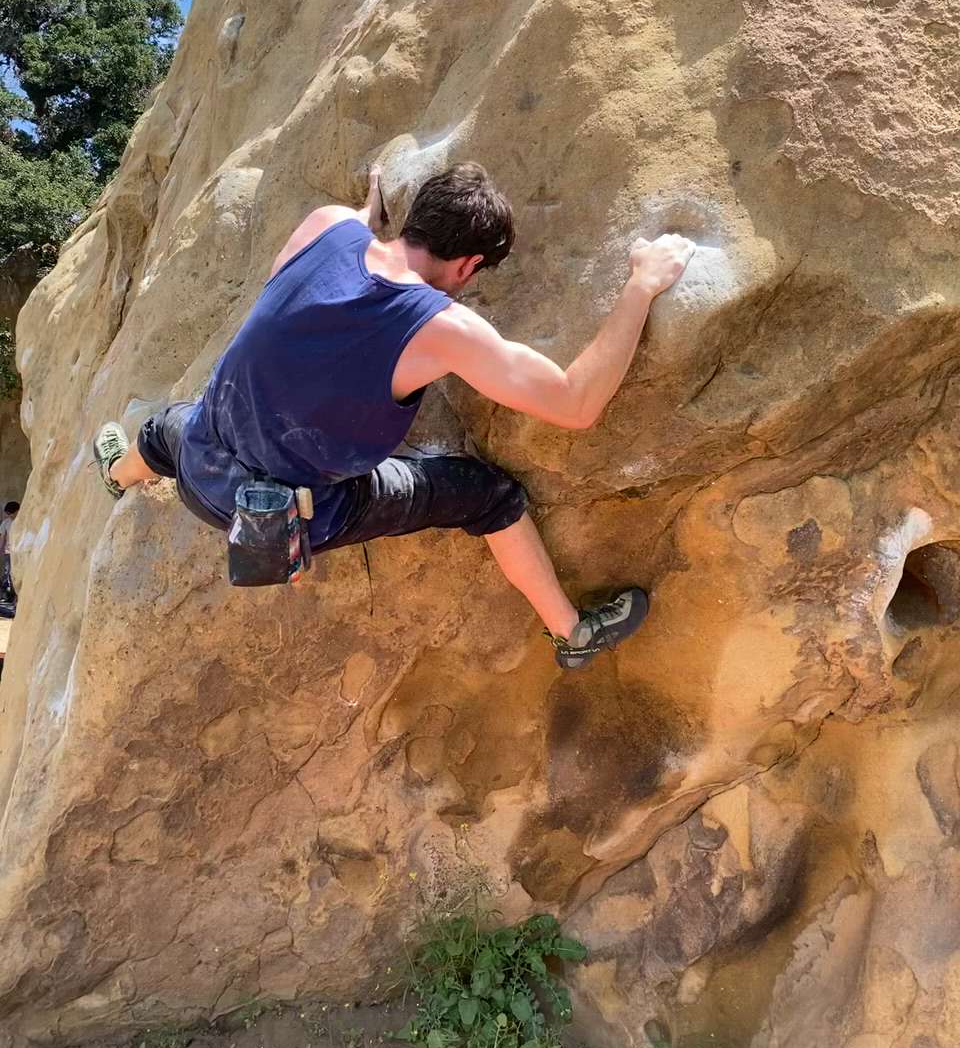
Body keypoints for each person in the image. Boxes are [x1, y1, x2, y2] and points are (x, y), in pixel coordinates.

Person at [93, 164, 693, 669]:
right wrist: (640, 288)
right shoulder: (439, 326)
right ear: (468, 265)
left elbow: (344, 232)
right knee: (486, 495)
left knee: (162, 427)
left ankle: (118, 474)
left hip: (199, 454)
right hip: (280, 522)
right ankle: (572, 635)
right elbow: (574, 404)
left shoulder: (327, 226)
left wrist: (368, 204)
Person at [0, 500, 19, 608]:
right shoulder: (6, 523)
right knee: (8, 573)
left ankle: (15, 595)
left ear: (17, 511)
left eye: (10, 513)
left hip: (19, 552)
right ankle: (7, 594)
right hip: (9, 552)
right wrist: (1, 549)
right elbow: (2, 537)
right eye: (7, 514)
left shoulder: (23, 521)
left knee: (16, 574)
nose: (9, 516)